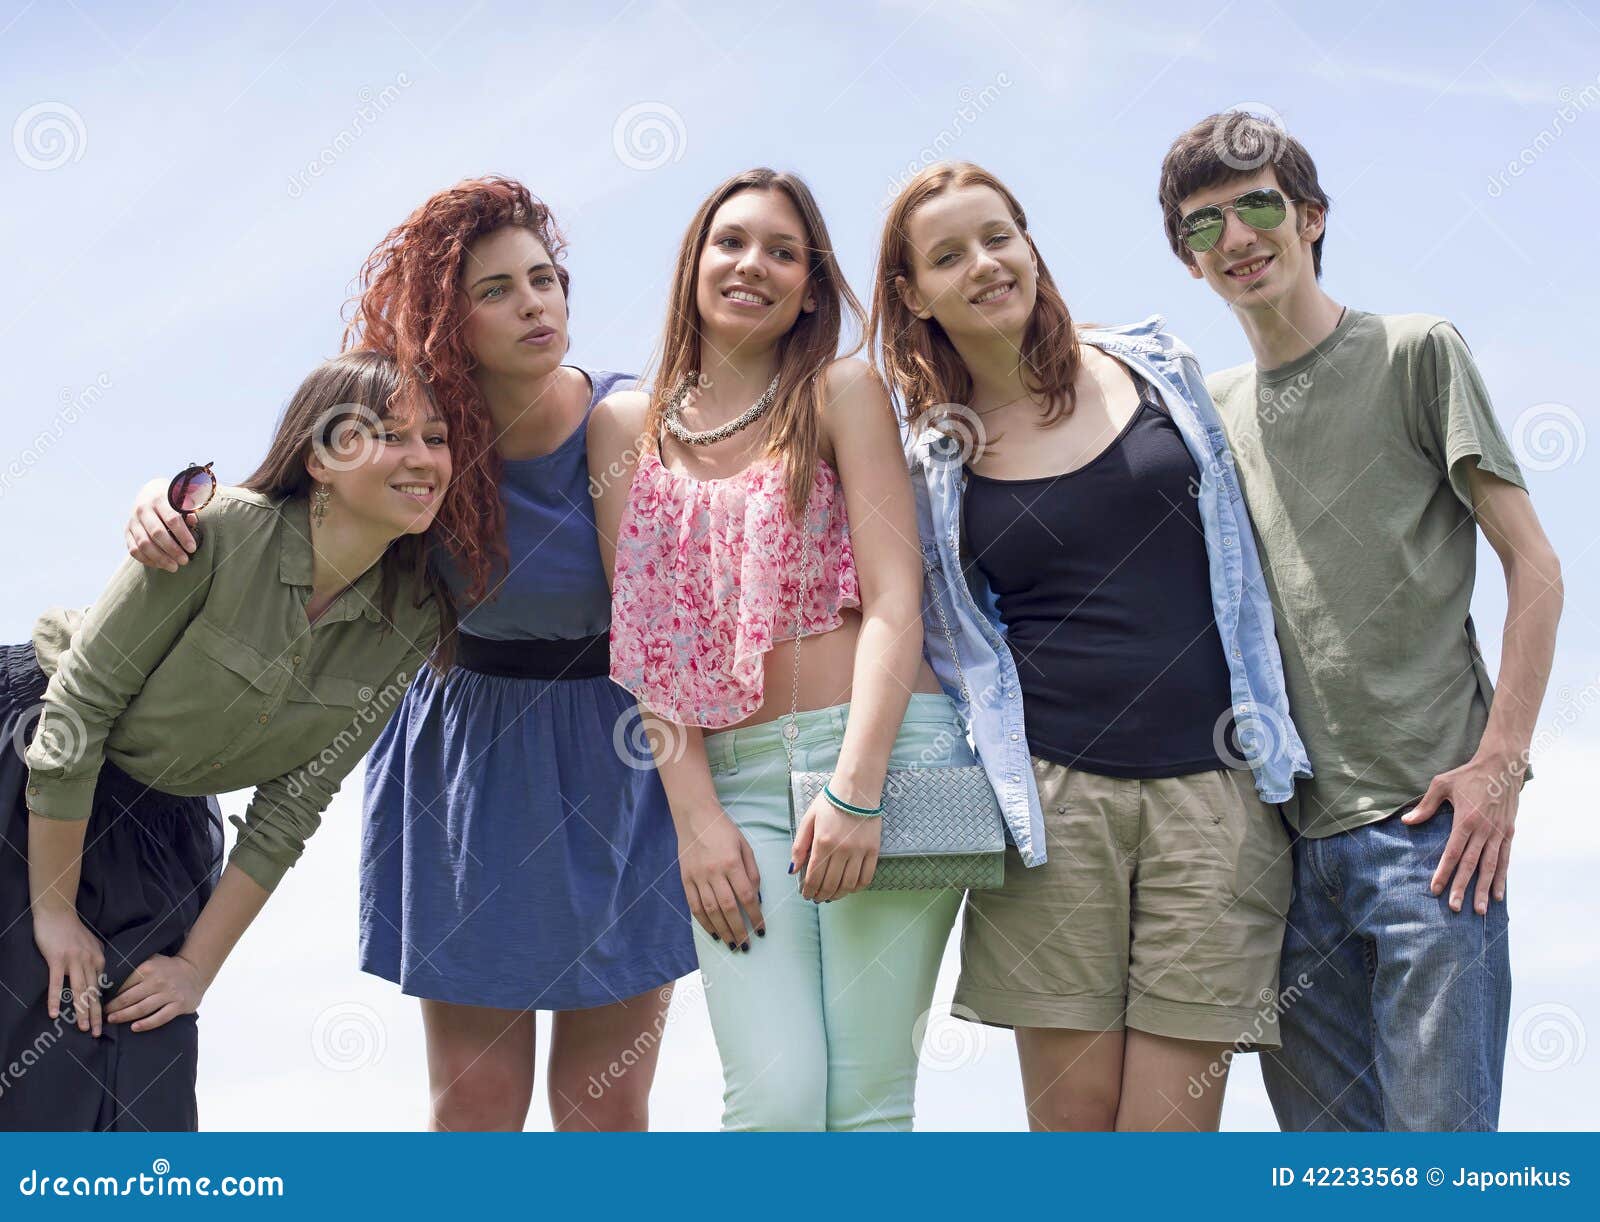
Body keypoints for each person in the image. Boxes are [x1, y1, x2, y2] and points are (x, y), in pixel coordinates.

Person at [120, 177, 698, 1132]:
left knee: (603, 1110)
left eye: (544, 280)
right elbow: (285, 503)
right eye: (497, 290)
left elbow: (669, 626)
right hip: (469, 761)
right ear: (447, 318)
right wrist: (164, 494)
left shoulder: (621, 421)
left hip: (618, 754)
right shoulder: (417, 433)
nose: (535, 305)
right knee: (473, 1110)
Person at [873, 161, 1309, 1130]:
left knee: (1166, 1142)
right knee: (1073, 1145)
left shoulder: (1154, 366)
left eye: (999, 236)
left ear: (1030, 245)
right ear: (915, 295)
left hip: (1219, 794)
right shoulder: (934, 456)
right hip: (1049, 806)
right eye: (949, 255)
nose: (985, 264)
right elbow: (922, 636)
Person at [1159, 112, 1563, 1130]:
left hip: (1430, 838)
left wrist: (1500, 765)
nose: (1236, 237)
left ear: (1311, 217)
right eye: (1203, 224)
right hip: (1283, 857)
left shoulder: (1415, 352)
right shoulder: (1206, 417)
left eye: (1257, 206)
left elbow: (1536, 566)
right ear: (1187, 259)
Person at [589, 167, 970, 1131]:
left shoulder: (842, 391)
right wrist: (695, 822)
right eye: (732, 242)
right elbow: (646, 646)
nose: (752, 264)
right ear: (694, 263)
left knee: (870, 1104)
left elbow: (896, 602)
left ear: (809, 289)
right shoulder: (623, 428)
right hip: (736, 789)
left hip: (892, 760)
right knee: (775, 1099)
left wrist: (857, 790)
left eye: (783, 252)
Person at [1, 350, 451, 1131]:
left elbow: (294, 806)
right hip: (34, 762)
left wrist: (195, 970)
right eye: (391, 434)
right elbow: (79, 711)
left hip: (161, 820)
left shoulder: (415, 615)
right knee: (40, 1072)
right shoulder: (223, 529)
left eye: (437, 438)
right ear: (320, 459)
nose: (423, 459)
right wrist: (54, 913)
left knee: (148, 1083)